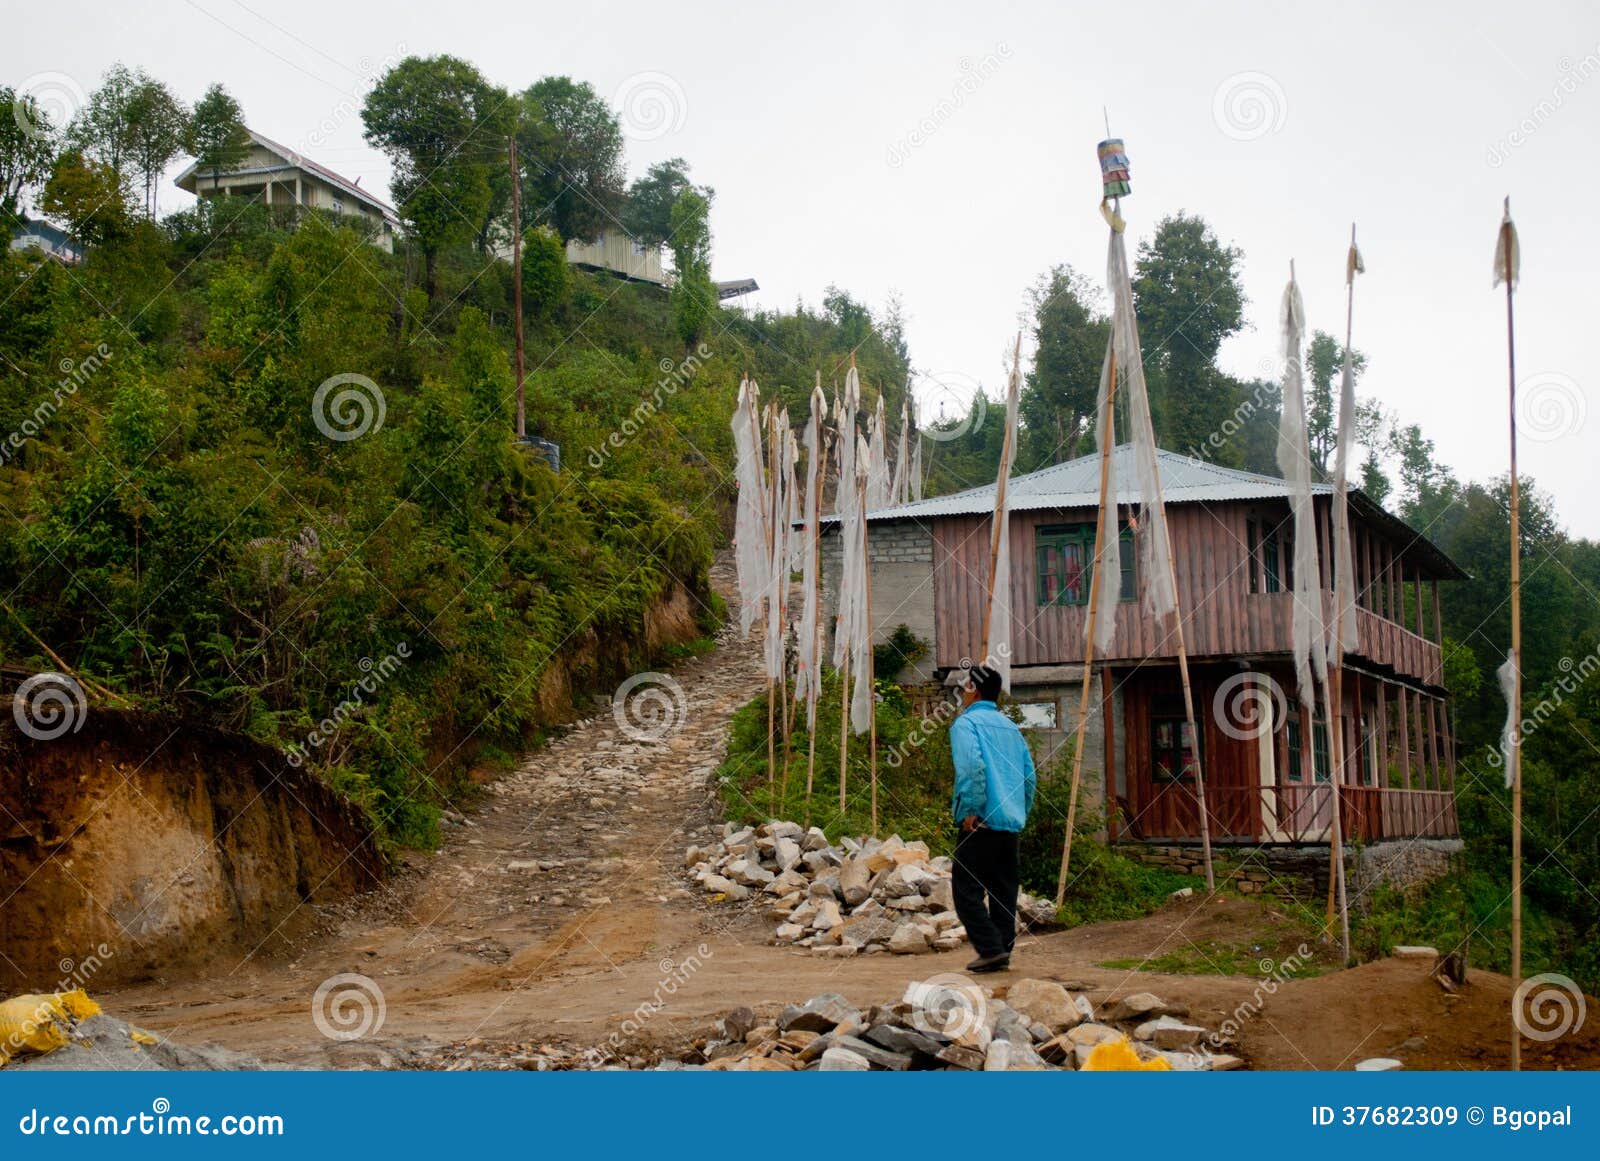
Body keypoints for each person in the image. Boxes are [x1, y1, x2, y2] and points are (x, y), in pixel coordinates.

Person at [948, 663, 1036, 973]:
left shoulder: (965, 725)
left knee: (965, 889)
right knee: (1003, 891)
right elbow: (1029, 777)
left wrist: (970, 809)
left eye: (964, 685)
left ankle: (990, 948)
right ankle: (1001, 950)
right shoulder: (1010, 727)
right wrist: (1019, 813)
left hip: (981, 820)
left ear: (972, 688)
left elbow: (972, 767)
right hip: (1010, 821)